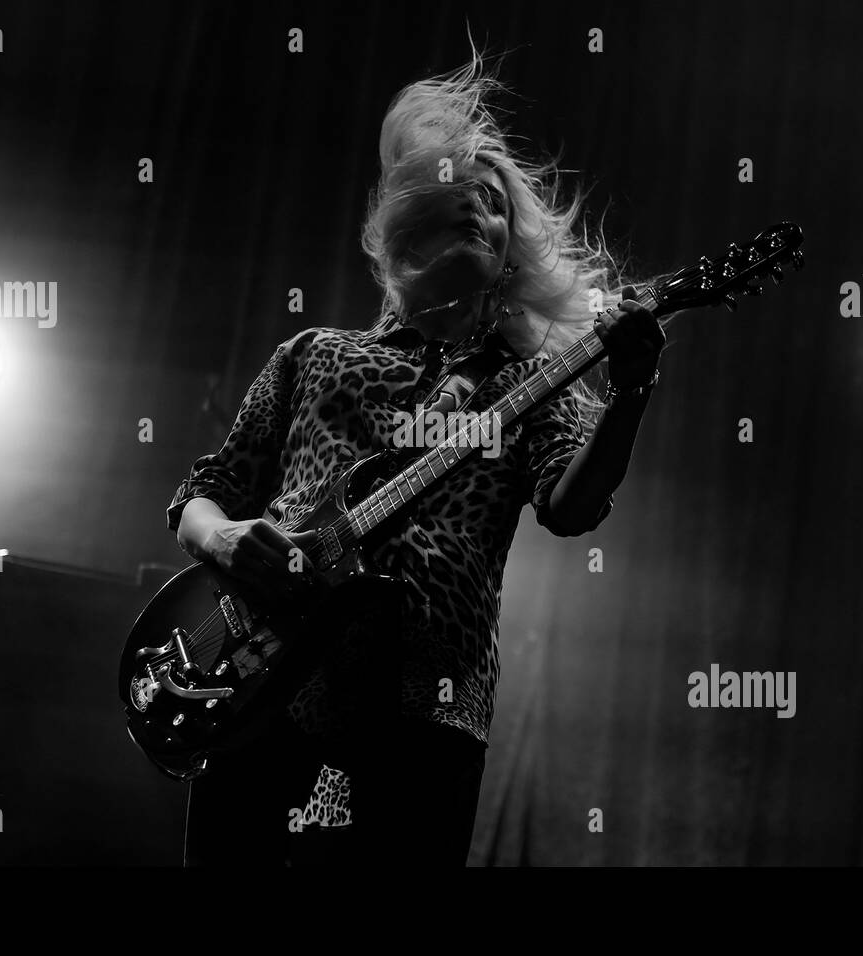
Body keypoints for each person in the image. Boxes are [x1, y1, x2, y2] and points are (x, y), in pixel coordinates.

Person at [168, 50, 666, 867]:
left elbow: (573, 508)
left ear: (511, 252)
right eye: (459, 189)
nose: (480, 205)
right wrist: (224, 538)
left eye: (498, 204)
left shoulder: (533, 386)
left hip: (426, 713)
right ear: (408, 218)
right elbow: (205, 490)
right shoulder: (315, 355)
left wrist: (632, 394)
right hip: (266, 683)